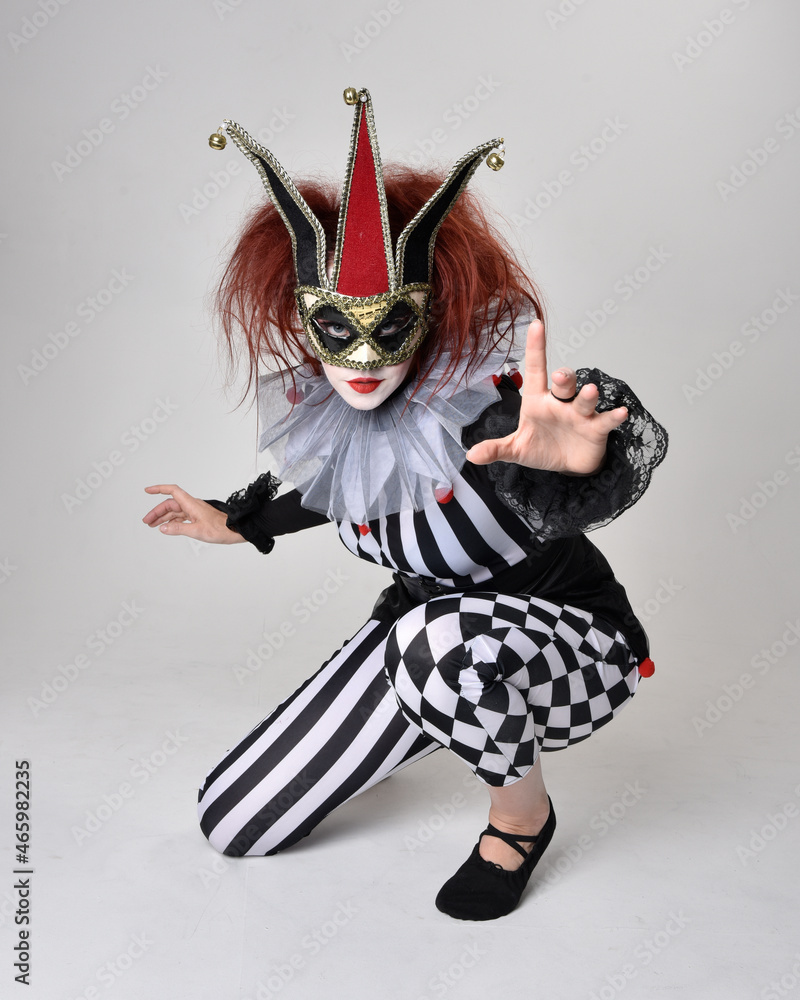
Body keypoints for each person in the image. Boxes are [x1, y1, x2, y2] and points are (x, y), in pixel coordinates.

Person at [141, 88, 668, 921]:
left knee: (436, 640)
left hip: (573, 644)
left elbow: (551, 463)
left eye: (387, 328)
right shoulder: (339, 424)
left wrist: (585, 457)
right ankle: (444, 711)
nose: (359, 357)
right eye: (332, 327)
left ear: (424, 316)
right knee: (232, 820)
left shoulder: (488, 413)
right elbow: (330, 493)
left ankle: (521, 816)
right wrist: (233, 523)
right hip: (430, 650)